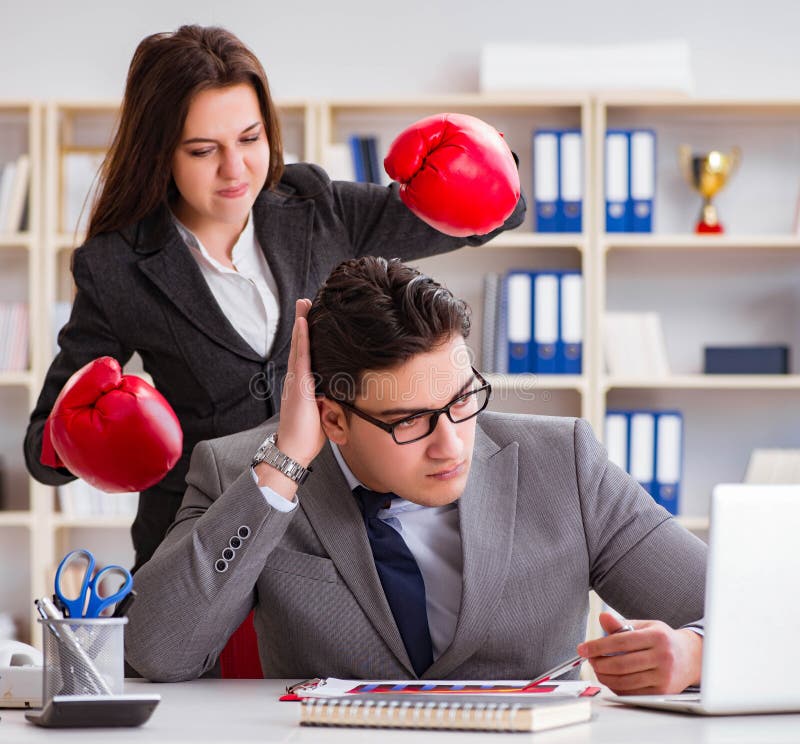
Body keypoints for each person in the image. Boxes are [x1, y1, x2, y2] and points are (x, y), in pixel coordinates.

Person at [23, 25, 526, 571]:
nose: (234, 169)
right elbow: (42, 450)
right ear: (160, 153)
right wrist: (83, 440)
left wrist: (481, 161)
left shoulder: (316, 207)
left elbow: (487, 220)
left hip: (329, 537)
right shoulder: (116, 266)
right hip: (202, 541)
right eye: (202, 150)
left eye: (249, 138)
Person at [125, 256, 707, 694]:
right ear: (334, 418)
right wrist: (287, 465)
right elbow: (157, 652)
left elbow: (758, 610)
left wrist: (694, 654)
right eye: (410, 421)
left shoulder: (565, 465)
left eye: (461, 400)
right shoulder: (243, 474)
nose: (450, 443)